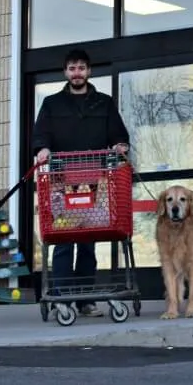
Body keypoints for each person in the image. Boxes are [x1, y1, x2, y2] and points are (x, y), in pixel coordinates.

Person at [31, 48, 130, 318]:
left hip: (95, 180)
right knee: (63, 238)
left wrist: (120, 145)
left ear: (89, 71)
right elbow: (41, 134)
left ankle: (86, 299)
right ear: (66, 72)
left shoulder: (104, 103)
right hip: (61, 181)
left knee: (89, 238)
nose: (77, 73)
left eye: (81, 68)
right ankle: (63, 297)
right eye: (72, 68)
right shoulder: (51, 104)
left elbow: (118, 133)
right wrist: (42, 149)